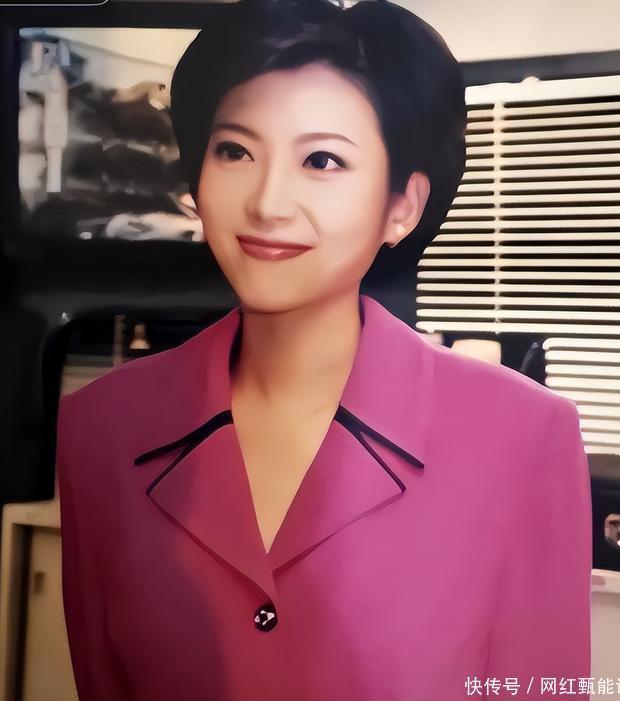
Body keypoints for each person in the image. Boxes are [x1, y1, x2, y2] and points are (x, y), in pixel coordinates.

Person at [56, 0, 592, 699]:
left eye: (322, 159)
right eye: (235, 151)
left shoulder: (523, 435)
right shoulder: (101, 426)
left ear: (401, 207)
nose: (268, 202)